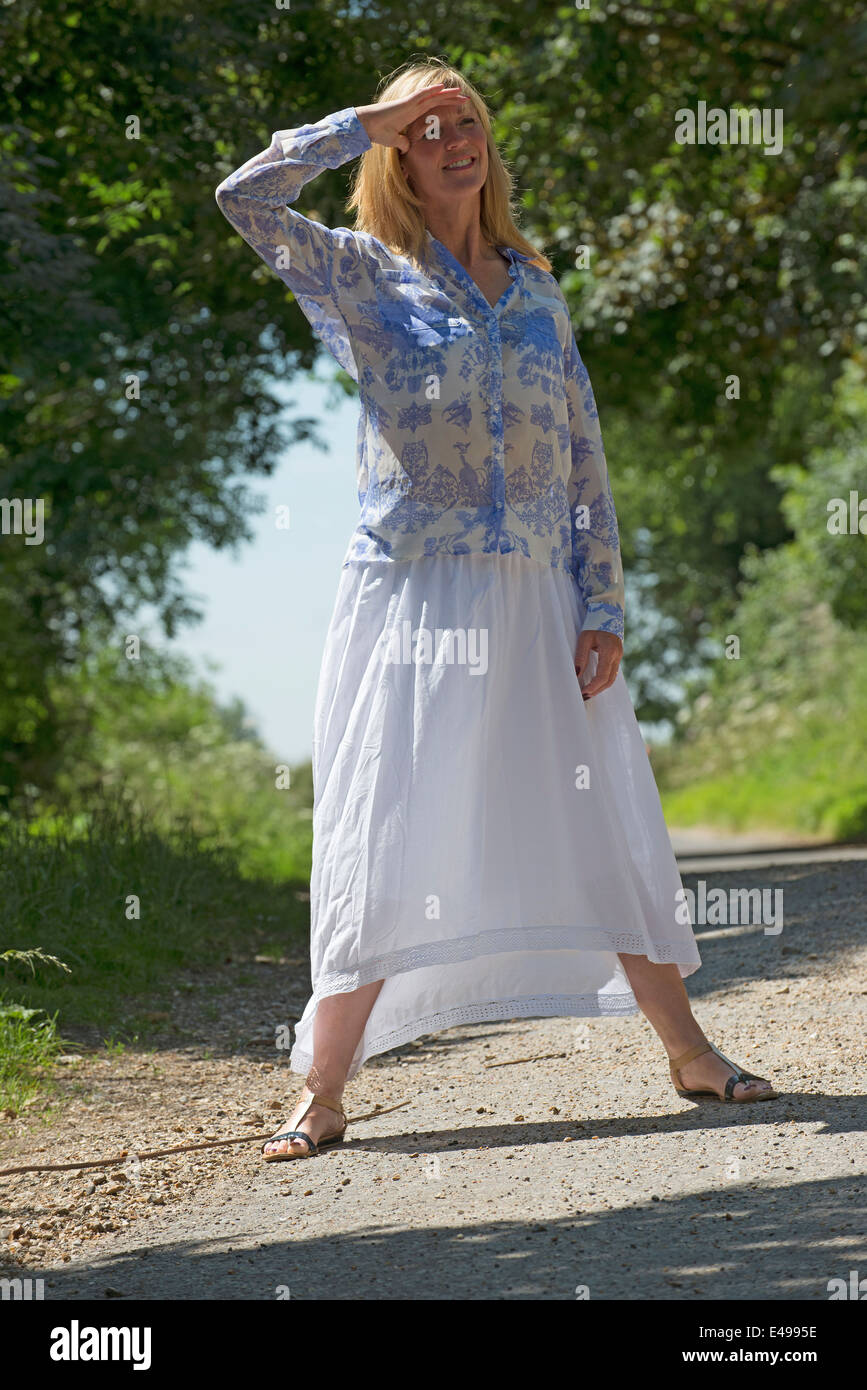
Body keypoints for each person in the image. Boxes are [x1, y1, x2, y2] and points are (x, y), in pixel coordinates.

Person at [214, 60, 778, 1162]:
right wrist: (354, 123)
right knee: (383, 830)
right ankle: (322, 1093)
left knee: (599, 817)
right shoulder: (362, 272)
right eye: (426, 127)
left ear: (487, 143)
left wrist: (602, 599)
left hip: (535, 588)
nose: (452, 138)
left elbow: (583, 453)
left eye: (464, 120)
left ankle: (690, 1053)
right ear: (400, 154)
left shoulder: (536, 286)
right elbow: (244, 200)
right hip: (410, 591)